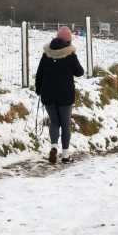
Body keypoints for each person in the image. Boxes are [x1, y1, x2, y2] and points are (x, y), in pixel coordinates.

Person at [35, 27, 84, 164]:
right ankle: (65, 155)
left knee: (54, 122)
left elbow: (39, 74)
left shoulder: (47, 54)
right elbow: (79, 72)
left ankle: (54, 147)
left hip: (48, 94)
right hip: (65, 95)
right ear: (68, 40)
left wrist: (39, 90)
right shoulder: (70, 54)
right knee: (65, 124)